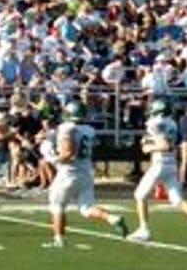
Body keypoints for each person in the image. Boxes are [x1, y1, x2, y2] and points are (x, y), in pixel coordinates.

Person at [41, 104, 128, 248]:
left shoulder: (67, 128)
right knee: (86, 208)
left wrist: (51, 158)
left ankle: (59, 240)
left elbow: (68, 154)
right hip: (85, 172)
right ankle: (112, 218)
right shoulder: (89, 130)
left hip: (68, 173)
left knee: (57, 207)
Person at [130, 100, 187, 244]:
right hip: (171, 164)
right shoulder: (172, 123)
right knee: (176, 199)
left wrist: (148, 147)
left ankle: (144, 230)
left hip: (160, 163)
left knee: (139, 195)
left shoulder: (155, 123)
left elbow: (165, 145)